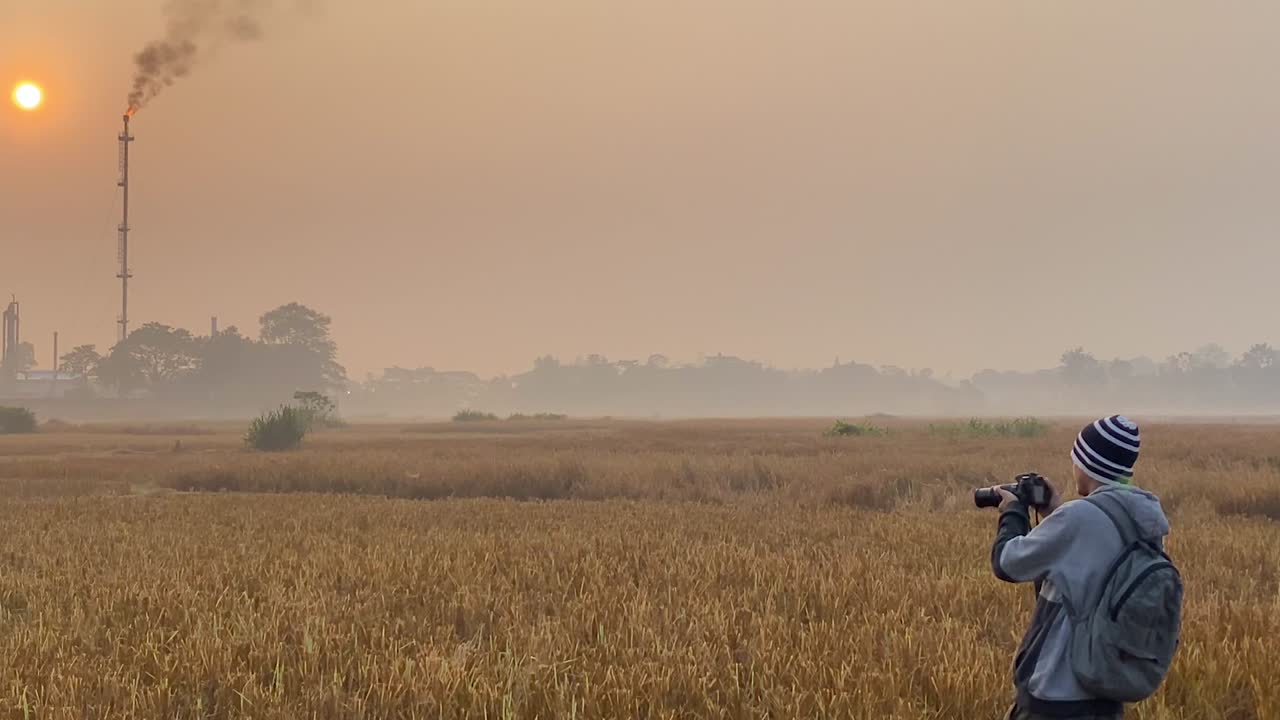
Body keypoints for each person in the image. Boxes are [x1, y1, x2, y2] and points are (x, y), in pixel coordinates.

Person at [988, 415, 1170, 720]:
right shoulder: (1144, 520)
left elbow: (1007, 563)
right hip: (1105, 691)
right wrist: (1053, 512)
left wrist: (1012, 511)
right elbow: (1089, 562)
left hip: (1055, 692)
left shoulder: (1078, 518)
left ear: (1087, 464)